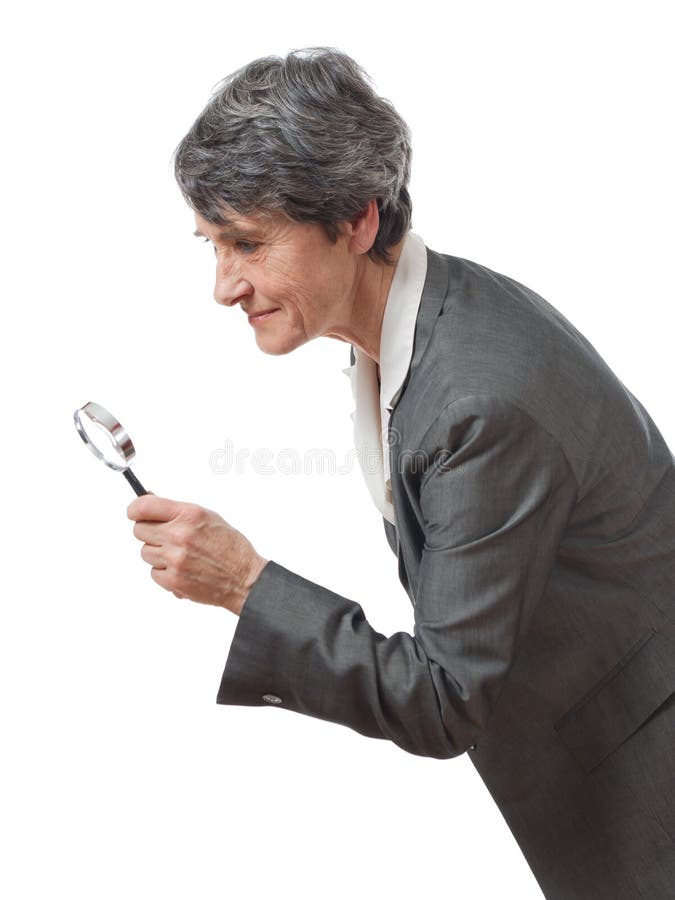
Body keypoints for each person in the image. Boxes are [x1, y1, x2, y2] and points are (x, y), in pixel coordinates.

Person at [127, 47, 675, 899]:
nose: (223, 286)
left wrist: (246, 584)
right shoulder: (418, 329)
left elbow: (442, 698)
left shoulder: (477, 401)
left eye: (246, 244)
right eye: (211, 244)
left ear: (354, 219)